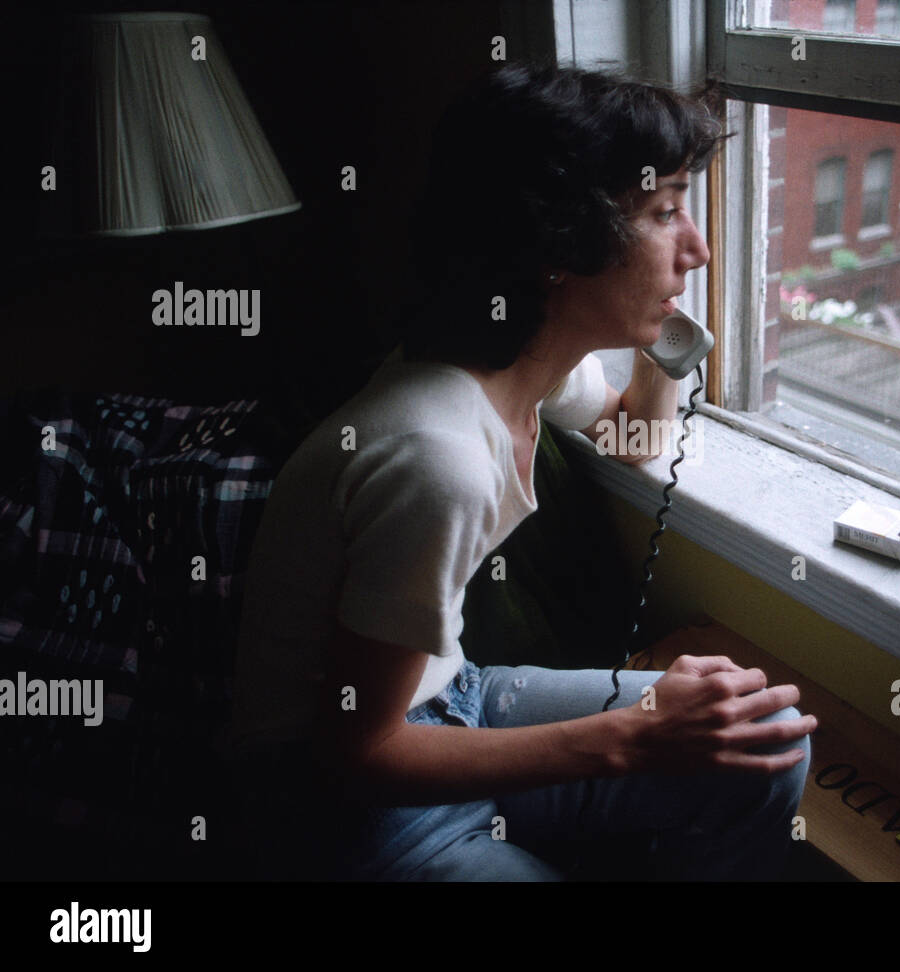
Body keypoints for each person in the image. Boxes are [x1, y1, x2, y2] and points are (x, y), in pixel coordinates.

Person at [231, 63, 817, 881]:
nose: (700, 248)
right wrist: (638, 732)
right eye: (664, 212)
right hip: (342, 800)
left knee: (767, 746)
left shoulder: (522, 358)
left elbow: (630, 440)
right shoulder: (437, 457)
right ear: (561, 245)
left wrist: (663, 356)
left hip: (454, 697)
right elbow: (355, 753)